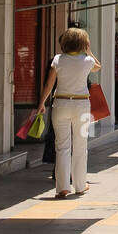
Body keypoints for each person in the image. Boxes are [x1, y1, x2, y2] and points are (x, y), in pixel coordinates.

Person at [36, 27, 100, 198]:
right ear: (83, 43)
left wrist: (41, 103)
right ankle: (79, 185)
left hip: (61, 104)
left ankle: (62, 187)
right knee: (80, 146)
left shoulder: (58, 59)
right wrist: (89, 50)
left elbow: (49, 85)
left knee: (62, 147)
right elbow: (97, 67)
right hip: (82, 105)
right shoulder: (87, 60)